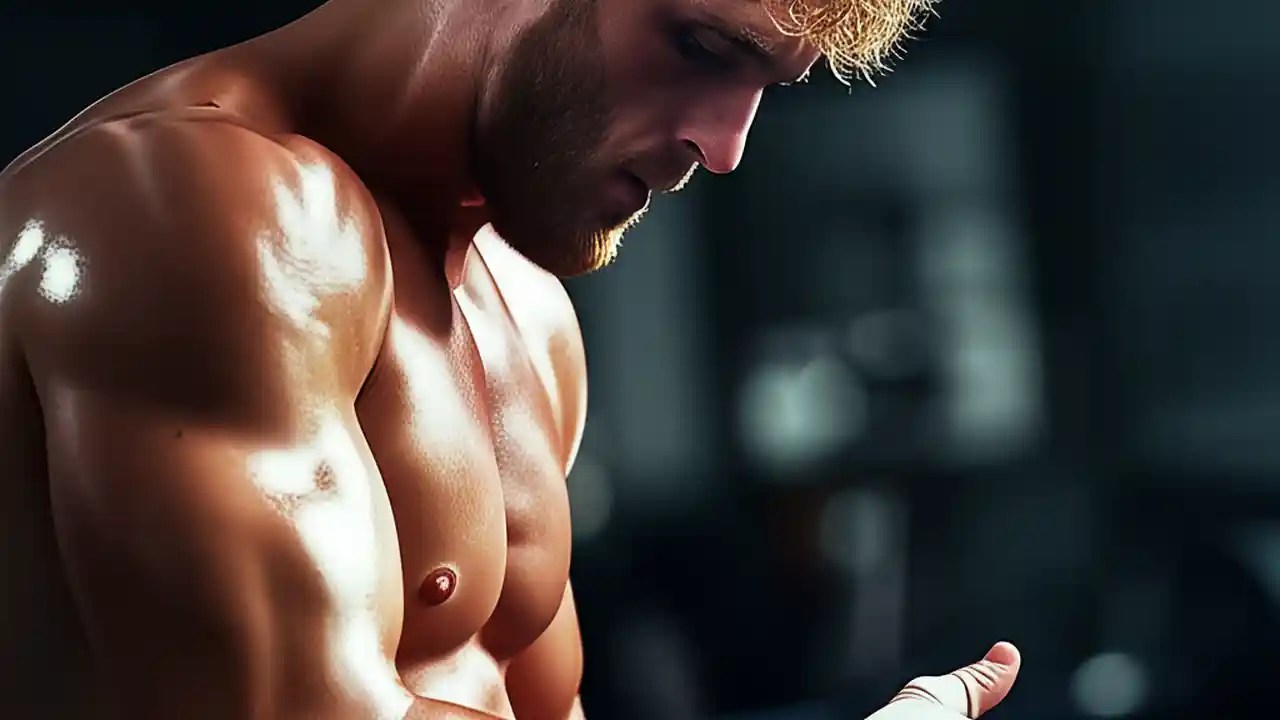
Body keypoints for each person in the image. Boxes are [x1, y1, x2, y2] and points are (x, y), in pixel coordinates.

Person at [0, 0, 1021, 718]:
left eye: (764, 87)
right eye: (705, 47)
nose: (724, 148)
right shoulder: (187, 207)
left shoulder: (528, 318)